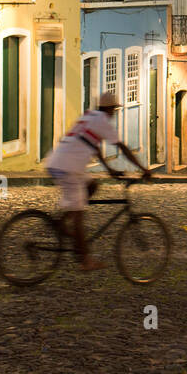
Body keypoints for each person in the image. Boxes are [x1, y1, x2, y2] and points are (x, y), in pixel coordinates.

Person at [44, 92, 149, 272]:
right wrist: (144, 168)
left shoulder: (90, 116)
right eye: (114, 109)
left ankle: (60, 223)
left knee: (92, 186)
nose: (114, 112)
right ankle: (85, 260)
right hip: (68, 168)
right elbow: (122, 147)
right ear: (109, 109)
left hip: (60, 161)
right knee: (78, 214)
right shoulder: (102, 121)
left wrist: (110, 170)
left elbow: (93, 145)